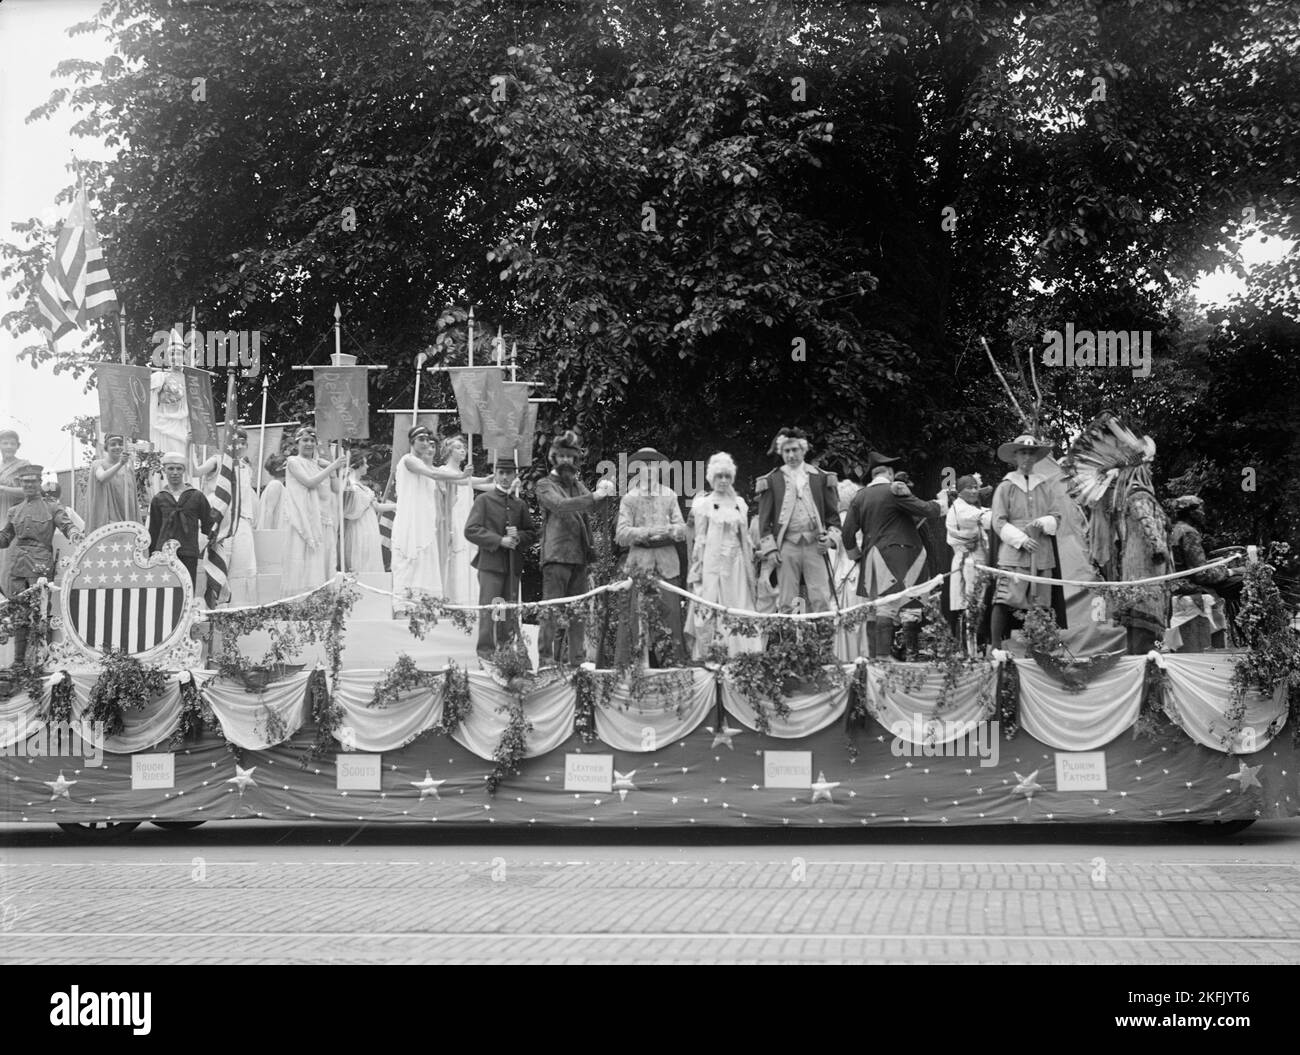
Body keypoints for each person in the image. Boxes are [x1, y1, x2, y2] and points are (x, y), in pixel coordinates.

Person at [842, 450, 942, 659]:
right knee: (903, 605)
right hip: (902, 556)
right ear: (889, 472)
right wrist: (942, 502)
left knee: (876, 608)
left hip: (871, 558)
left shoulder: (859, 497)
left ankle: (877, 659)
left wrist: (856, 556)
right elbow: (927, 510)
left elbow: (847, 534)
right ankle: (899, 658)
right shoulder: (894, 490)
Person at [534, 429, 615, 666]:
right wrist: (594, 496)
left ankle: (577, 660)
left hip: (580, 556)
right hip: (556, 556)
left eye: (571, 457)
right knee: (551, 610)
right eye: (562, 456)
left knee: (577, 613)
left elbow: (592, 508)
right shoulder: (544, 484)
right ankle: (546, 660)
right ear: (554, 458)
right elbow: (560, 506)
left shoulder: (577, 485)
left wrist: (605, 495)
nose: (567, 461)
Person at [989, 434, 1067, 650]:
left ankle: (1039, 648)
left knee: (1041, 603)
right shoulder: (1006, 486)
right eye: (1023, 452)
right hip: (1015, 553)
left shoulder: (1045, 486)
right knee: (1005, 599)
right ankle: (996, 648)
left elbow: (1057, 516)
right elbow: (998, 521)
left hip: (1042, 553)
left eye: (1031, 453)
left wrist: (1045, 521)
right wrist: (1021, 539)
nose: (1028, 457)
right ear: (1015, 455)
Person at [0, 464, 82, 667]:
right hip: (18, 566)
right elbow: (5, 538)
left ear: (39, 483)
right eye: (25, 482)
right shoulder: (14, 511)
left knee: (40, 611)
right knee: (20, 612)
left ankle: (40, 659)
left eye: (33, 481)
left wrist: (73, 533)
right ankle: (19, 662)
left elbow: (66, 524)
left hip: (40, 566)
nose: (29, 485)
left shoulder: (52, 506)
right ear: (20, 483)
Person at [614, 448, 689, 667]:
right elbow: (621, 534)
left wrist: (669, 530)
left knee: (671, 613)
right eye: (643, 465)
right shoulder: (629, 499)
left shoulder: (670, 495)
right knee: (638, 616)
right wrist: (644, 532)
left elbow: (682, 528)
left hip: (667, 563)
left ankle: (673, 663)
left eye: (652, 465)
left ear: (659, 469)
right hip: (640, 563)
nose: (648, 469)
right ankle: (637, 666)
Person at [754, 427, 842, 613]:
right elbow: (764, 523)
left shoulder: (821, 477)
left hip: (815, 545)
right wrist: (770, 549)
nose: (791, 455)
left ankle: (823, 641)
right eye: (787, 451)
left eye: (795, 450)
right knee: (788, 601)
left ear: (803, 450)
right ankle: (791, 641)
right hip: (787, 546)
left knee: (821, 598)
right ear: (781, 452)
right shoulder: (771, 480)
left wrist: (831, 539)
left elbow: (834, 518)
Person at [684, 452, 760, 659]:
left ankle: (743, 652)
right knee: (711, 603)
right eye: (719, 476)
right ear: (712, 478)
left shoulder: (740, 504)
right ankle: (713, 652)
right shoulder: (703, 504)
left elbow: (745, 538)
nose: (723, 480)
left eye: (727, 476)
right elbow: (698, 539)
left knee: (739, 603)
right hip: (711, 563)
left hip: (736, 563)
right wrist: (697, 570)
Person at [464, 455, 537, 662]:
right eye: (501, 473)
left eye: (509, 473)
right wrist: (499, 540)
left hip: (512, 566)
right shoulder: (484, 500)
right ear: (495, 475)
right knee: (490, 608)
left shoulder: (519, 504)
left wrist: (518, 536)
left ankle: (505, 653)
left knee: (507, 610)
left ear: (515, 475)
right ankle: (486, 654)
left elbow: (531, 533)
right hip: (490, 565)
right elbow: (471, 530)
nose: (505, 477)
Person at [391, 425, 469, 606]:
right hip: (410, 520)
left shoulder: (425, 465)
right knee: (409, 557)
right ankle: (405, 605)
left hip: (425, 522)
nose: (426, 443)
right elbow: (435, 473)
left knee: (425, 559)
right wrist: (461, 476)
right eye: (421, 439)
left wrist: (487, 481)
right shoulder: (408, 460)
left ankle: (426, 604)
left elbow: (446, 476)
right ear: (412, 442)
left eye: (427, 439)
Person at [195, 426, 260, 604]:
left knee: (242, 569)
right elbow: (194, 472)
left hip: (242, 523)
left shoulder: (247, 468)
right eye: (234, 442)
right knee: (217, 569)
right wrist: (187, 445)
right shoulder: (217, 461)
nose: (238, 446)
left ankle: (238, 610)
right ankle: (215, 609)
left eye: (242, 442)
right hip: (220, 523)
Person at [1166, 495, 1238, 653]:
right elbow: (1201, 573)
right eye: (1200, 510)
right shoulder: (1189, 533)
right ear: (1190, 513)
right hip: (1192, 586)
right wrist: (1230, 571)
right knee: (1241, 581)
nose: (1203, 514)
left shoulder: (1173, 530)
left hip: (1177, 585)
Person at [280, 427, 347, 597]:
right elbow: (309, 483)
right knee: (306, 563)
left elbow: (337, 489)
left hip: (323, 519)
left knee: (324, 562)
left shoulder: (319, 465)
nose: (309, 443)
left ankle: (323, 601)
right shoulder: (293, 461)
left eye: (312, 440)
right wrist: (332, 466)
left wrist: (333, 472)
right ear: (297, 443)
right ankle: (303, 602)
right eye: (305, 440)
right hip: (305, 521)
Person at [436, 434, 494, 604]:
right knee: (455, 554)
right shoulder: (443, 471)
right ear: (448, 451)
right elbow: (464, 482)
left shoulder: (464, 475)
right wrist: (481, 479)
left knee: (469, 554)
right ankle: (453, 599)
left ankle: (469, 597)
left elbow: (485, 486)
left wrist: (508, 486)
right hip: (453, 519)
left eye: (464, 448)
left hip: (468, 519)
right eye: (458, 448)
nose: (463, 451)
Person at [148, 452, 217, 585]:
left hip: (188, 551)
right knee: (165, 591)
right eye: (171, 468)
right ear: (164, 470)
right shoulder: (159, 498)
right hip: (164, 554)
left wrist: (215, 539)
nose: (175, 472)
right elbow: (154, 530)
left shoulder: (197, 496)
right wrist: (153, 555)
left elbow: (209, 524)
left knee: (188, 589)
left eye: (179, 468)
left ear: (184, 471)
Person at [944, 474, 993, 646]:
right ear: (960, 491)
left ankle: (975, 646)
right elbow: (987, 518)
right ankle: (970, 648)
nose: (974, 491)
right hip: (969, 561)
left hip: (976, 561)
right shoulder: (962, 509)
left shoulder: (968, 507)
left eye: (975, 487)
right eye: (969, 488)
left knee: (975, 603)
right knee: (972, 603)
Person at [831, 477, 869, 661]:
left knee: (843, 620)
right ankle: (860, 657)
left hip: (841, 574)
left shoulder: (836, 520)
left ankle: (843, 658)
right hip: (856, 571)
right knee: (859, 619)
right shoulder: (858, 518)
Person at [342, 450, 394, 574]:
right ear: (357, 466)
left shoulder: (362, 487)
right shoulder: (350, 486)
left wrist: (397, 505)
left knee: (371, 559)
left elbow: (377, 507)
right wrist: (366, 499)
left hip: (369, 527)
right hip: (359, 528)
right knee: (361, 559)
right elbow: (350, 513)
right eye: (364, 464)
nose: (367, 466)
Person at [0, 428, 32, 600]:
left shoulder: (23, 465)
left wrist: (4, 488)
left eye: (12, 443)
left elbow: (29, 490)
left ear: (17, 446)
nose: (8, 446)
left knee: (9, 560)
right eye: (5, 443)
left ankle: (11, 602)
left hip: (13, 516)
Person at [84, 434, 140, 532]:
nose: (117, 447)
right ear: (106, 448)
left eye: (120, 444)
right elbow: (102, 477)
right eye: (113, 444)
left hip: (127, 518)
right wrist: (120, 464)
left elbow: (132, 496)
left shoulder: (128, 467)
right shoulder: (98, 464)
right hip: (108, 522)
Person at [42, 478, 86, 578]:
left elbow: (82, 529)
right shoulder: (67, 511)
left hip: (62, 552)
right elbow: (82, 528)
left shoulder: (67, 511)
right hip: (55, 551)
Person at [257, 452, 289, 530]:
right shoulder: (275, 485)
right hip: (273, 532)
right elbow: (269, 511)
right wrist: (268, 534)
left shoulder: (281, 486)